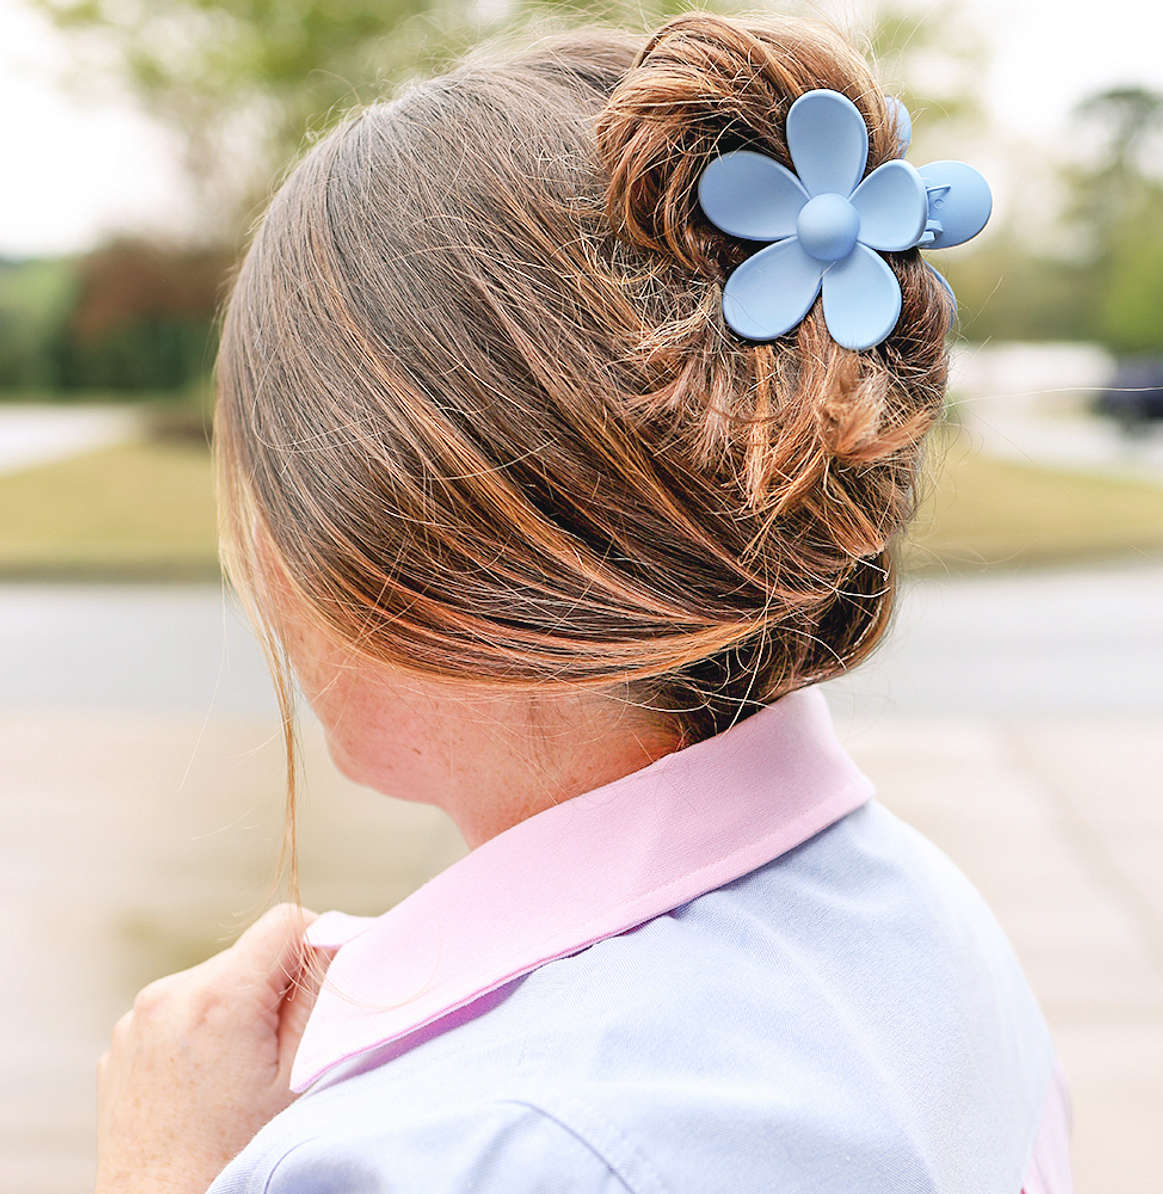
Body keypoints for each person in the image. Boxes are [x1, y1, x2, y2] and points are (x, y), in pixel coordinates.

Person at [94, 11, 1074, 1193]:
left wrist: (159, 1169)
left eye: (273, 484)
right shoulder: (921, 917)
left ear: (407, 542)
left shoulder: (473, 1149)